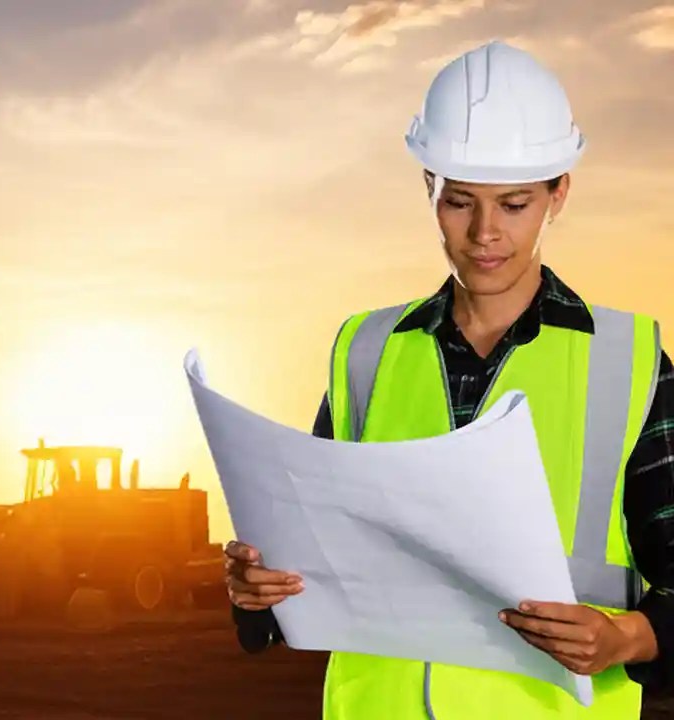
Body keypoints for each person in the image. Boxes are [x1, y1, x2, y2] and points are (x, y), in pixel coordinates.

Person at [223, 39, 674, 718]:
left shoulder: (628, 363)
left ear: (559, 195)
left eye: (514, 205)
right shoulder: (364, 355)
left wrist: (628, 636)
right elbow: (312, 577)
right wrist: (258, 591)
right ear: (427, 186)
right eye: (459, 202)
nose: (484, 234)